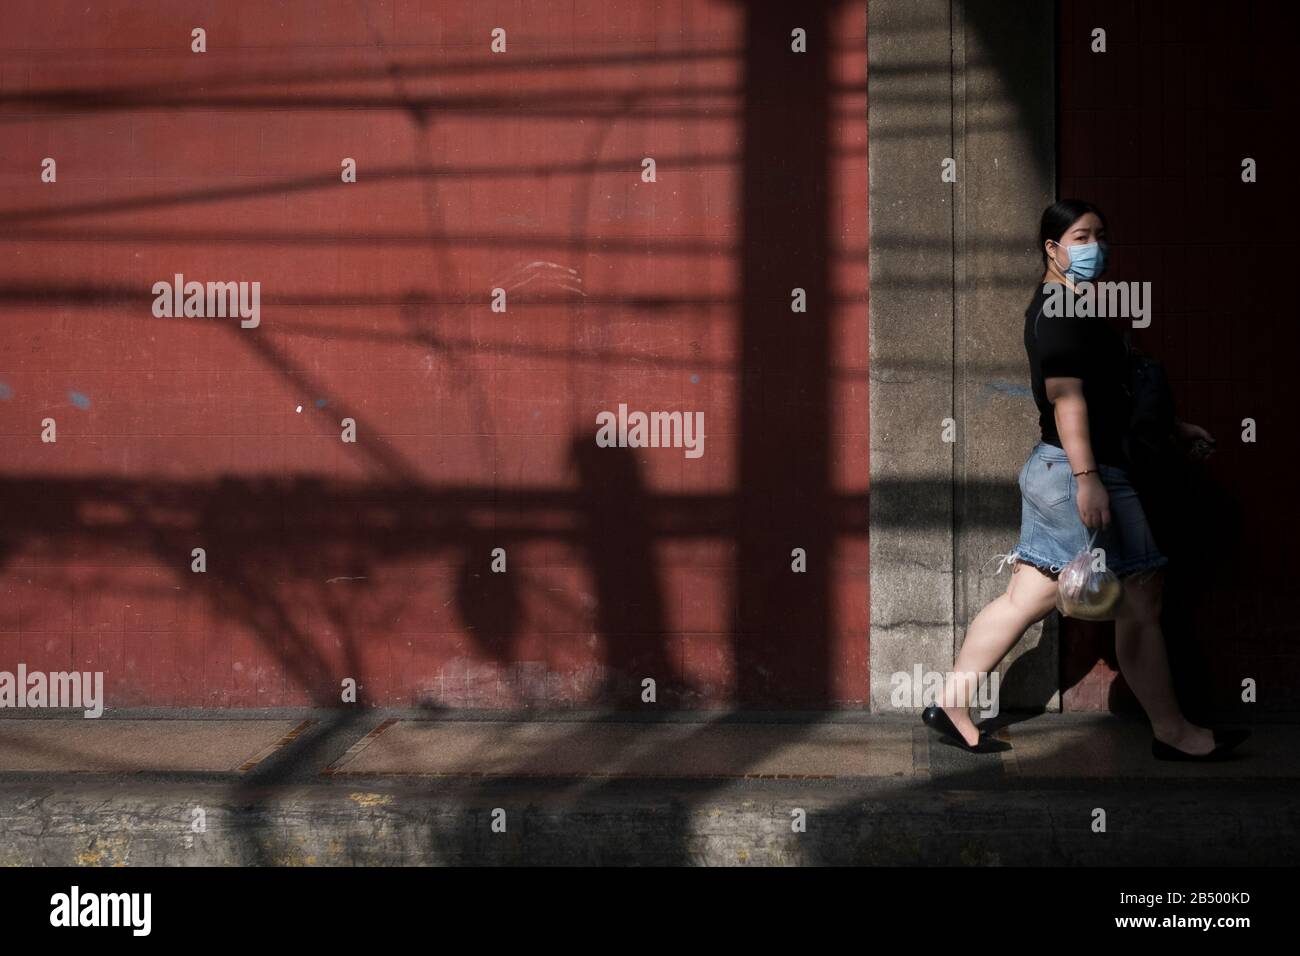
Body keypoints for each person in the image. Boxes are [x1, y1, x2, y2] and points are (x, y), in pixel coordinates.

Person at [921, 199, 1250, 761]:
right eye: (1081, 236)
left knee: (1028, 594)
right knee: (1141, 600)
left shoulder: (1080, 305)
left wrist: (1172, 427)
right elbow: (1066, 397)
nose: (1095, 246)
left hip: (1058, 470)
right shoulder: (1057, 312)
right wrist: (1089, 478)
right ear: (1052, 249)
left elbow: (1111, 393)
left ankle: (952, 704)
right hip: (1079, 471)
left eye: (1100, 234)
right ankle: (1173, 732)